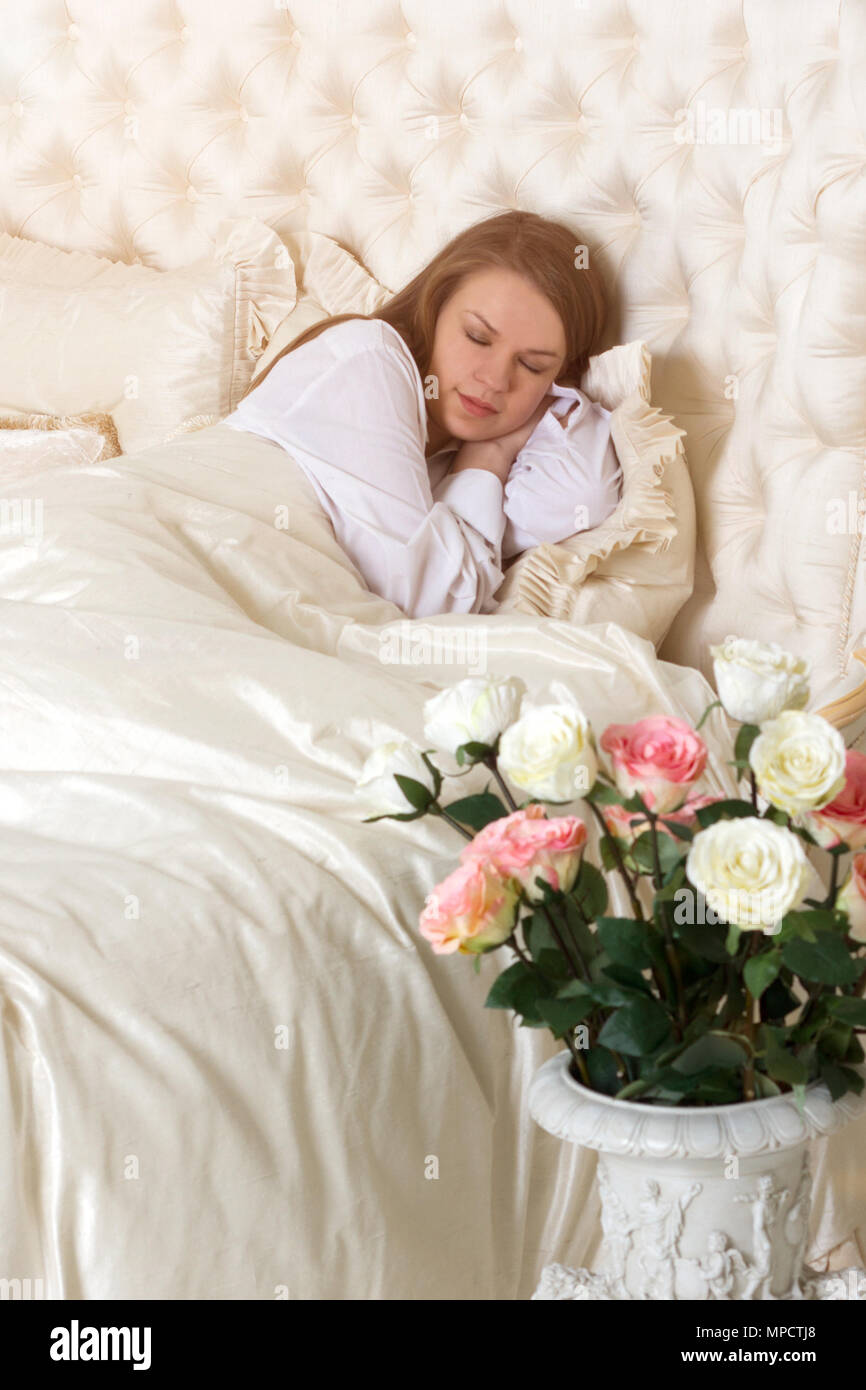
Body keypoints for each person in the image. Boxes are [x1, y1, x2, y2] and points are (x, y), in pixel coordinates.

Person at [224, 210, 623, 618]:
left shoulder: (456, 463)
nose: (494, 380)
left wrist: (494, 451)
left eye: (532, 365)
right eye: (477, 337)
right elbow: (432, 603)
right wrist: (491, 455)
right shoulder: (369, 358)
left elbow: (587, 495)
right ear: (434, 308)